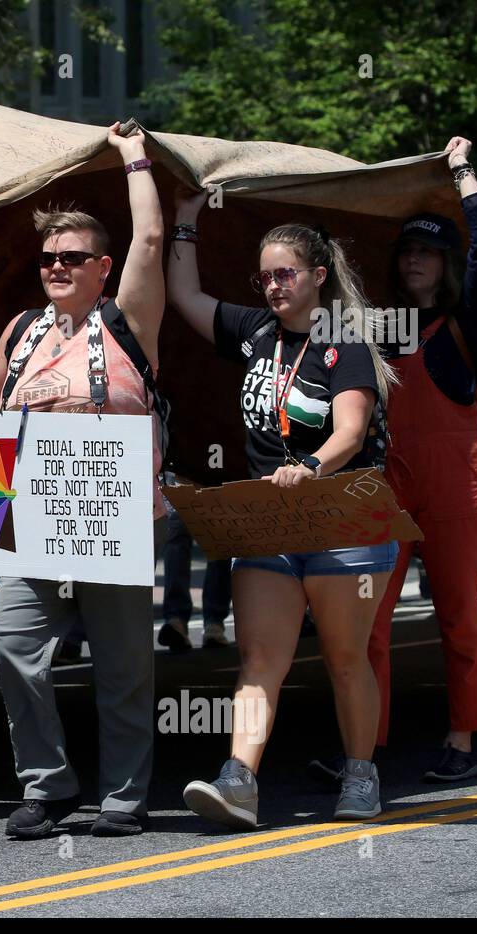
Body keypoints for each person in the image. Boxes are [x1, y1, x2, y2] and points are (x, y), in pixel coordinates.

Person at [0, 122, 166, 839]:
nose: (58, 266)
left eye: (74, 256)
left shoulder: (127, 320)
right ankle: (48, 783)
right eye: (48, 258)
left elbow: (153, 242)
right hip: (29, 522)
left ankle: (124, 797)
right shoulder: (19, 332)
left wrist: (133, 160)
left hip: (111, 516)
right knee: (9, 638)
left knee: (124, 662)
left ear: (103, 267)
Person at [168, 185, 398, 829]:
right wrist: (186, 219)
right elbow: (185, 298)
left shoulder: (343, 343)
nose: (272, 286)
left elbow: (350, 432)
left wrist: (311, 468)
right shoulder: (253, 330)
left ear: (317, 277)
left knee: (345, 658)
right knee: (258, 659)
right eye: (264, 276)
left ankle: (360, 773)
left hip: (342, 516)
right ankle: (239, 780)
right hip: (269, 521)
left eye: (285, 274)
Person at [362, 137, 477, 783]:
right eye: (407, 250)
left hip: (456, 489)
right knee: (366, 619)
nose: (415, 259)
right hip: (391, 490)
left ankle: (463, 740)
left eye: (427, 251)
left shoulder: (468, 318)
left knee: (460, 618)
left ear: (445, 262)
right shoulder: (380, 326)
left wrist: (462, 169)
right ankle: (363, 745)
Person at [159, 474, 232, 651]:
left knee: (217, 537)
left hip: (211, 465)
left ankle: (183, 619)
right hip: (183, 465)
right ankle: (204, 622)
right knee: (215, 538)